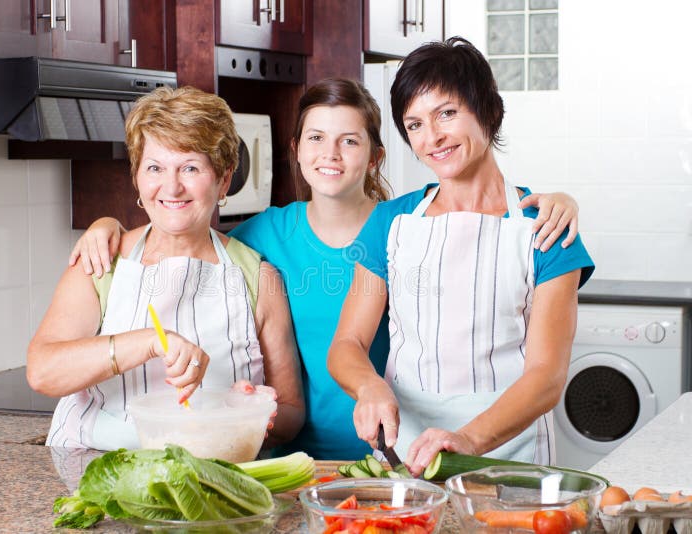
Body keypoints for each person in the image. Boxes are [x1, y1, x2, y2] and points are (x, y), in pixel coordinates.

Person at [68, 78, 581, 460]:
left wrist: (554, 202)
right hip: (293, 459)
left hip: (394, 452)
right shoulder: (260, 238)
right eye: (315, 137)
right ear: (295, 150)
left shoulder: (400, 226)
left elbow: (481, 247)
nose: (329, 154)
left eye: (350, 141)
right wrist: (109, 225)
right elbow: (186, 233)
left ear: (376, 156)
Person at [327, 37, 594, 475]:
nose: (432, 138)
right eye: (414, 125)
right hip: (405, 452)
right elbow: (347, 344)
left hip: (510, 457)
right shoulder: (390, 222)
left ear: (488, 111)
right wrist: (368, 386)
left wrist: (467, 439)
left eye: (446, 114)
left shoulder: (544, 228)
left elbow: (546, 376)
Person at [27, 86, 305, 451]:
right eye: (155, 167)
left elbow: (290, 412)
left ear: (223, 179)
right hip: (94, 471)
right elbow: (43, 371)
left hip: (209, 484)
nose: (171, 187)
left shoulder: (257, 277)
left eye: (190, 167)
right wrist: (148, 342)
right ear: (137, 178)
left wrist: (253, 410)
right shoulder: (102, 260)